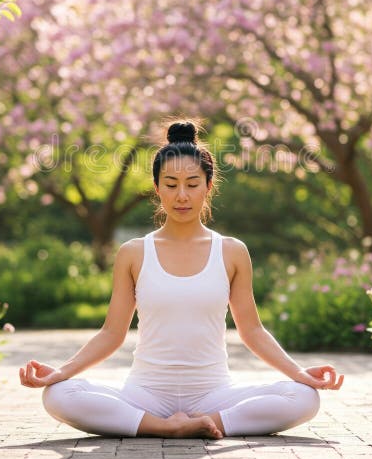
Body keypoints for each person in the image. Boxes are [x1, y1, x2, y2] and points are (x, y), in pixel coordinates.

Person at [19, 119, 344, 439]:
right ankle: (167, 426)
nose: (182, 195)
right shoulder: (134, 253)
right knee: (58, 395)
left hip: (213, 394)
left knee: (304, 397)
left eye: (192, 183)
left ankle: (205, 420)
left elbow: (252, 330)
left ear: (208, 185)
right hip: (145, 394)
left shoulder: (231, 251)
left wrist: (299, 373)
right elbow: (111, 333)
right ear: (157, 188)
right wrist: (61, 372)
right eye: (171, 185)